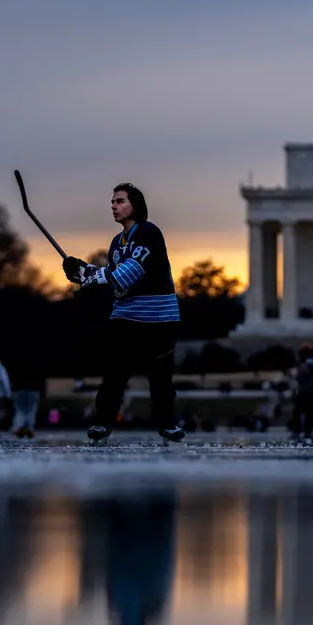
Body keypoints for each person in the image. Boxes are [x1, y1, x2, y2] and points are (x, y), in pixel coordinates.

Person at [61, 183, 185, 444]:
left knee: (161, 378)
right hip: (127, 317)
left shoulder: (150, 233)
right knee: (115, 375)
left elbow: (127, 274)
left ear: (135, 206)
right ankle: (103, 424)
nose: (114, 206)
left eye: (120, 201)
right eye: (113, 203)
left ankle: (168, 425)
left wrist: (92, 277)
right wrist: (81, 270)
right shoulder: (117, 242)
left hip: (160, 319)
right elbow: (114, 281)